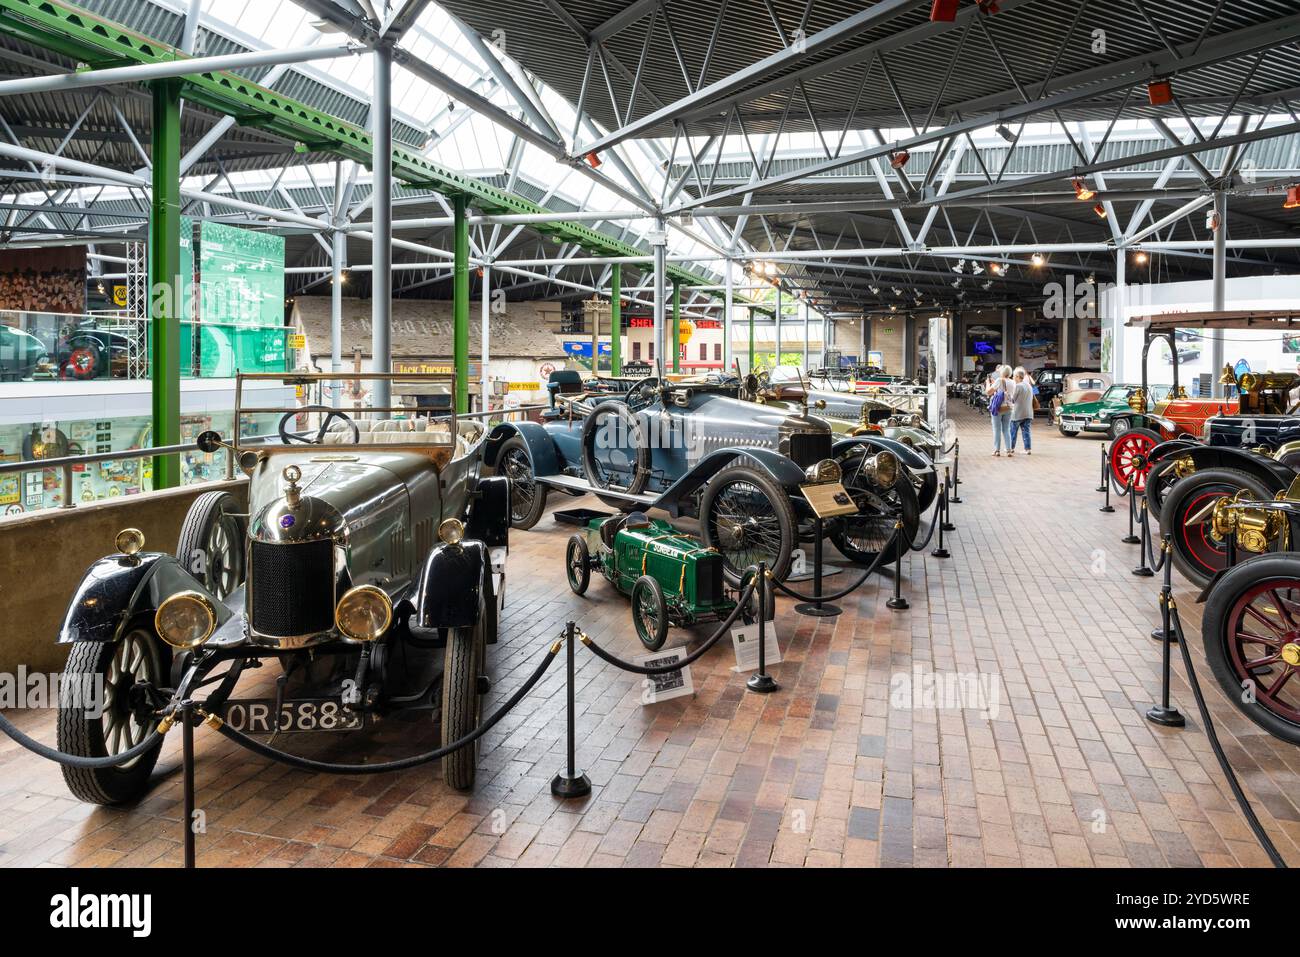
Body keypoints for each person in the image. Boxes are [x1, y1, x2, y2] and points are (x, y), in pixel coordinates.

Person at [986, 364, 1012, 456]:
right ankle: (1009, 449)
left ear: (1001, 372)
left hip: (998, 407)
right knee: (1006, 429)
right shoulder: (1013, 382)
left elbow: (988, 392)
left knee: (997, 429)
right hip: (1008, 408)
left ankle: (997, 450)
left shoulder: (999, 380)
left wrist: (988, 384)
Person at [1008, 366, 1034, 455]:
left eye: (1014, 376)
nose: (1013, 378)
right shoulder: (1029, 385)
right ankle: (1028, 449)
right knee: (1026, 431)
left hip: (1017, 413)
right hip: (1028, 413)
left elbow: (1013, 399)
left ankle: (1011, 448)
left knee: (1013, 432)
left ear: (1018, 376)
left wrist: (1007, 395)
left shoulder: (1018, 386)